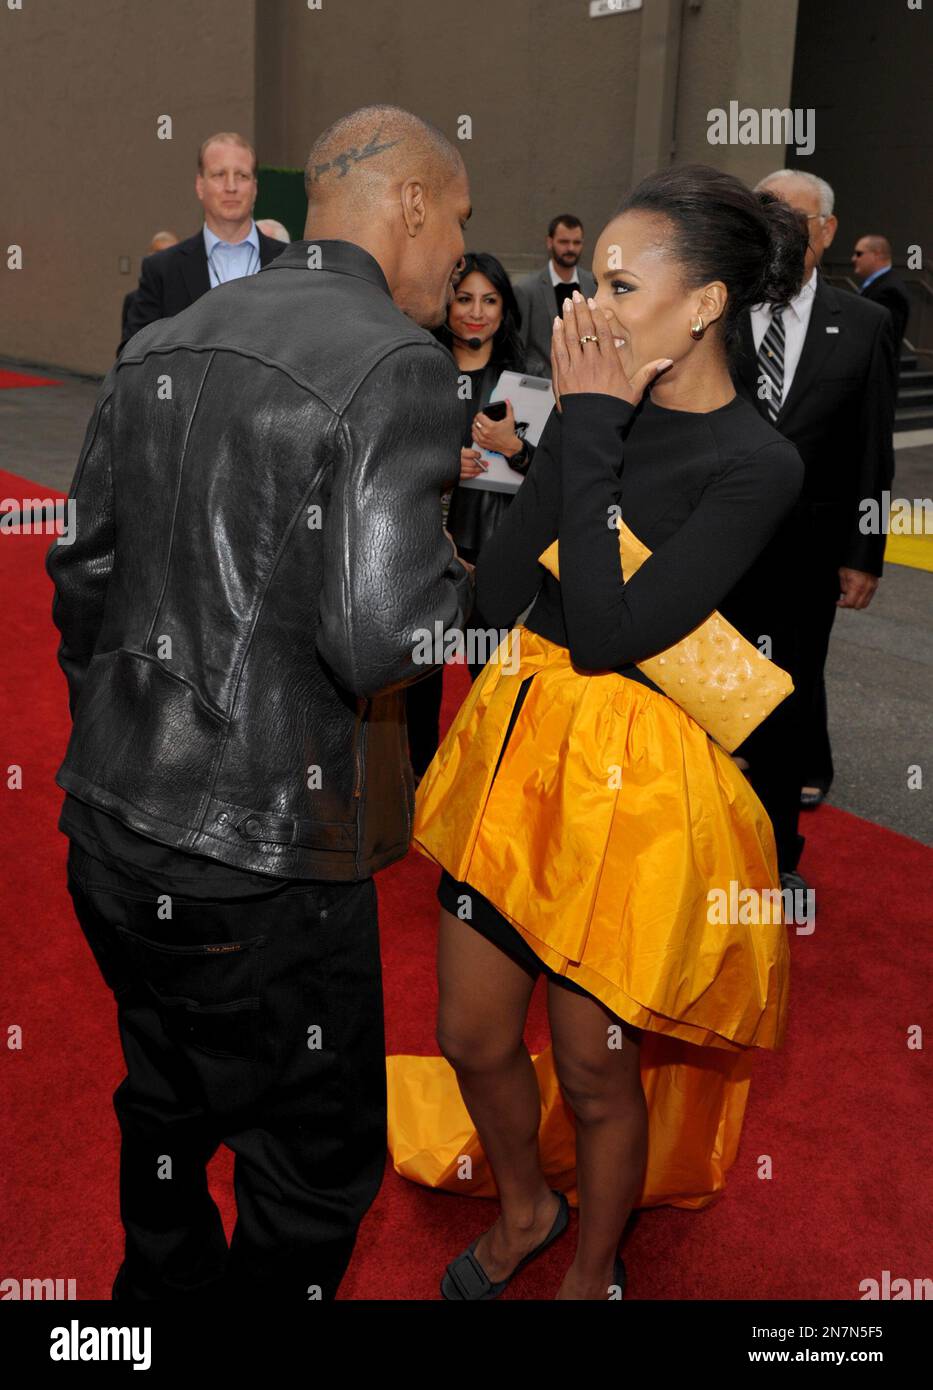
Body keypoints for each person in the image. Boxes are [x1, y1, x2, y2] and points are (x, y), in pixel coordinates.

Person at [47, 103, 474, 1302]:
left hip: (112, 835)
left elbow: (82, 577)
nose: (456, 251)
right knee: (312, 1168)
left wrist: (127, 726)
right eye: (456, 219)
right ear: (405, 204)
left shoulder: (163, 338)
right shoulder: (397, 361)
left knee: (166, 1101)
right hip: (263, 869)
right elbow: (385, 636)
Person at [387, 164, 807, 1299]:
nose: (592, 307)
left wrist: (593, 430)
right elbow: (500, 589)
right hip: (521, 749)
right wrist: (580, 433)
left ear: (705, 304)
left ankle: (589, 1265)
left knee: (595, 1068)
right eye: (592, 280)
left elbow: (618, 631)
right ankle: (526, 1204)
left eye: (622, 284)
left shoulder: (758, 464)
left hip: (636, 792)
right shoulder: (585, 408)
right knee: (472, 1032)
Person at [720, 170, 897, 884]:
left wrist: (865, 553)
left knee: (787, 708)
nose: (780, 234)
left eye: (794, 221)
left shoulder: (862, 324)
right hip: (710, 555)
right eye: (766, 218)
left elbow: (871, 450)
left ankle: (770, 860)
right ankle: (702, 850)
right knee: (710, 703)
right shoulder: (717, 310)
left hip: (806, 560)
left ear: (822, 232)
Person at [406, 251, 533, 779]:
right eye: (464, 299)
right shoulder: (418, 369)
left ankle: (486, 781)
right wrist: (440, 461)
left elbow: (553, 476)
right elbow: (386, 453)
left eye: (489, 299)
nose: (475, 312)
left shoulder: (526, 380)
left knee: (491, 675)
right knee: (420, 674)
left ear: (504, 309)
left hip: (497, 549)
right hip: (425, 547)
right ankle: (420, 776)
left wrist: (516, 447)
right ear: (447, 303)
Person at [117, 132, 287, 353]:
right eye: (219, 174)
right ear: (200, 185)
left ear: (255, 188)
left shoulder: (290, 263)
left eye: (242, 176)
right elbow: (133, 355)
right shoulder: (162, 270)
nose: (231, 186)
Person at [513, 215, 596, 377]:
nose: (571, 248)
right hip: (542, 385)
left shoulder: (594, 285)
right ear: (549, 242)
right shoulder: (526, 289)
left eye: (576, 242)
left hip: (586, 381)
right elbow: (518, 346)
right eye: (564, 242)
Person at [852, 235, 910, 348]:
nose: (854, 258)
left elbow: (884, 340)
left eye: (859, 254)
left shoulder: (890, 291)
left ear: (876, 254)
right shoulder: (881, 285)